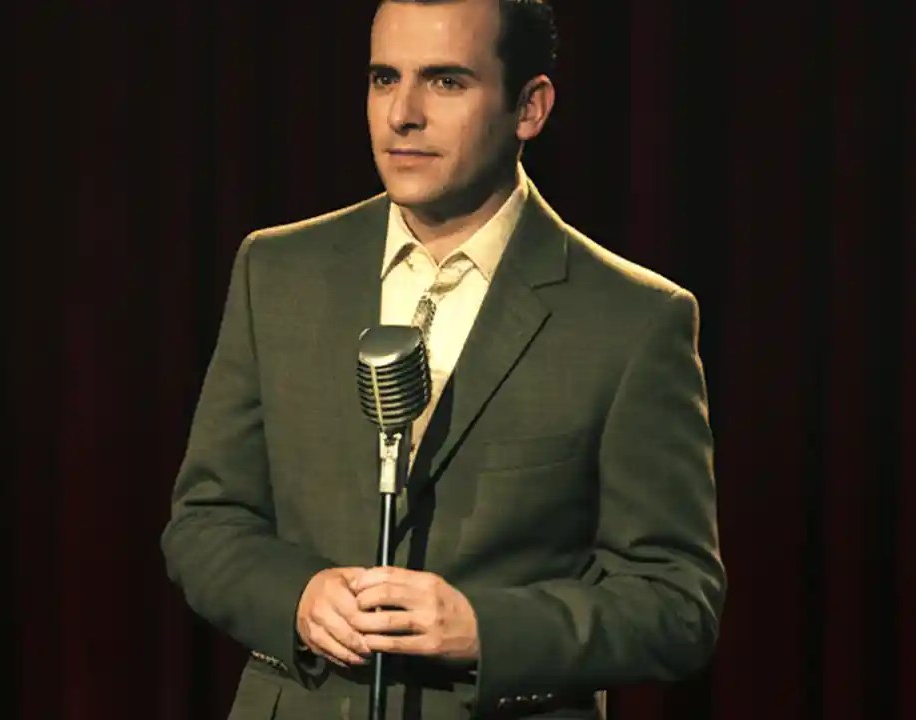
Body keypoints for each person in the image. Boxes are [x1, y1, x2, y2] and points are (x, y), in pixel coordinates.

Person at [160, 1, 726, 717]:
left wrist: (484, 630)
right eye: (383, 77)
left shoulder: (633, 320)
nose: (402, 113)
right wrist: (298, 597)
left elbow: (677, 603)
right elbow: (206, 520)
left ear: (530, 107)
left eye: (446, 82)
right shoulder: (277, 271)